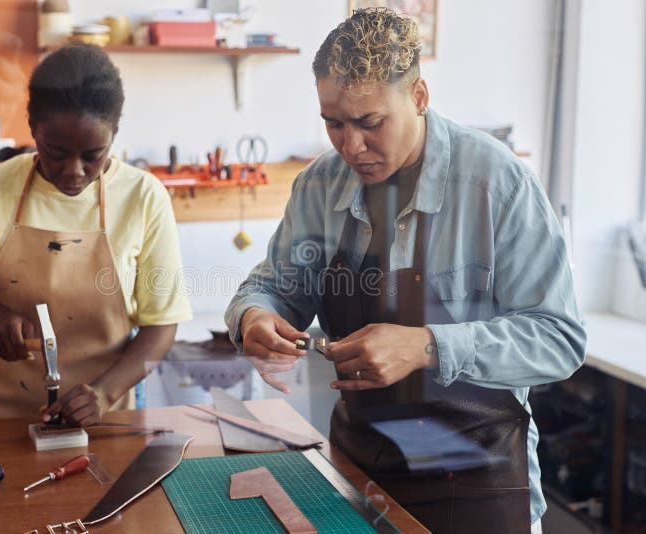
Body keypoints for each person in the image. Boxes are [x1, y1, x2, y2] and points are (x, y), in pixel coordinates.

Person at [225, 8, 585, 533]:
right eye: (333, 122)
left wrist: (426, 346)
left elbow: (559, 340)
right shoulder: (318, 186)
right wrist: (255, 316)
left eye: (370, 123)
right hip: (357, 472)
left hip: (478, 483)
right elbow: (275, 285)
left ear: (418, 96)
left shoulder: (497, 184)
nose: (350, 146)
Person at [0, 42, 191, 424]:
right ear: (32, 129)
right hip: (3, 413)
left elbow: (161, 325)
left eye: (93, 155)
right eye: (55, 152)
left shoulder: (143, 197)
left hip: (105, 414)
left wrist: (103, 393)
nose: (74, 170)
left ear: (115, 132)